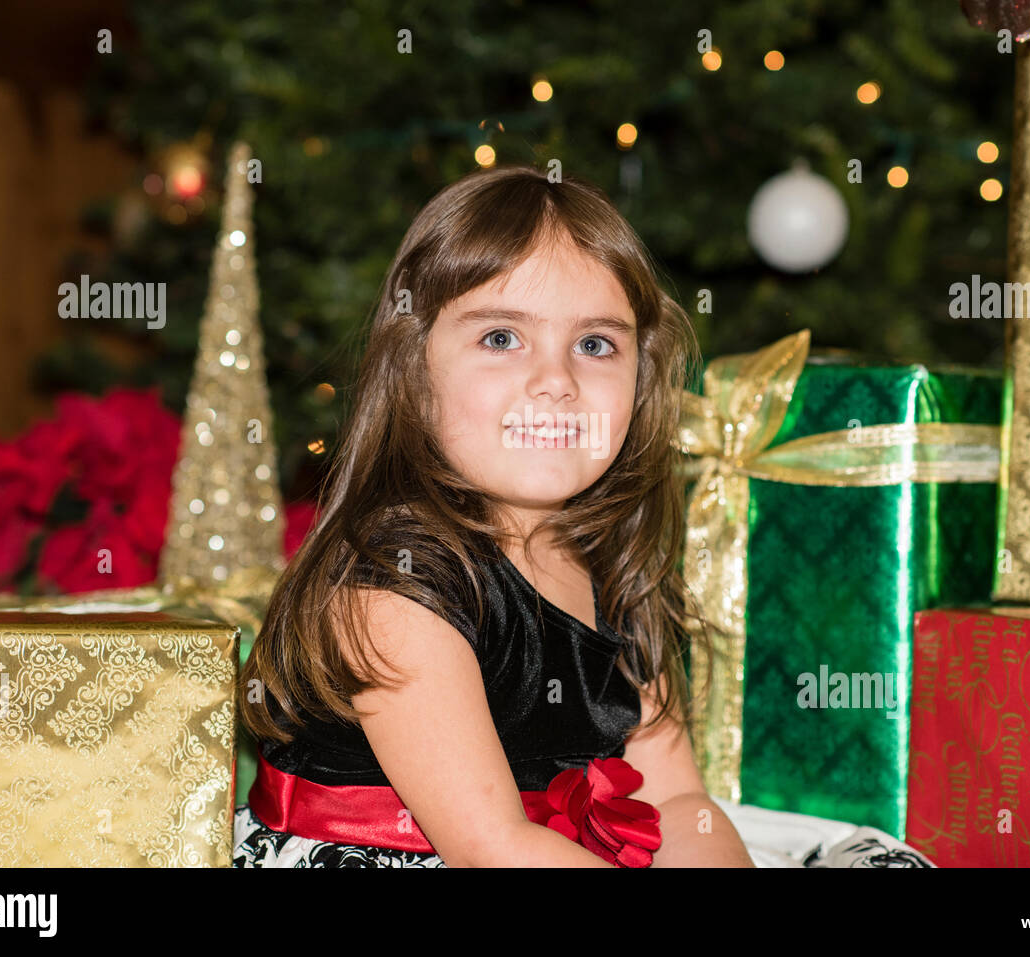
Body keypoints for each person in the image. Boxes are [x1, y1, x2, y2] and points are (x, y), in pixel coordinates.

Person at [234, 163, 752, 868]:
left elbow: (679, 802)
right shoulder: (392, 588)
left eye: (595, 344)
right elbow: (492, 847)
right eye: (502, 337)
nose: (556, 382)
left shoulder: (615, 573)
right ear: (415, 376)